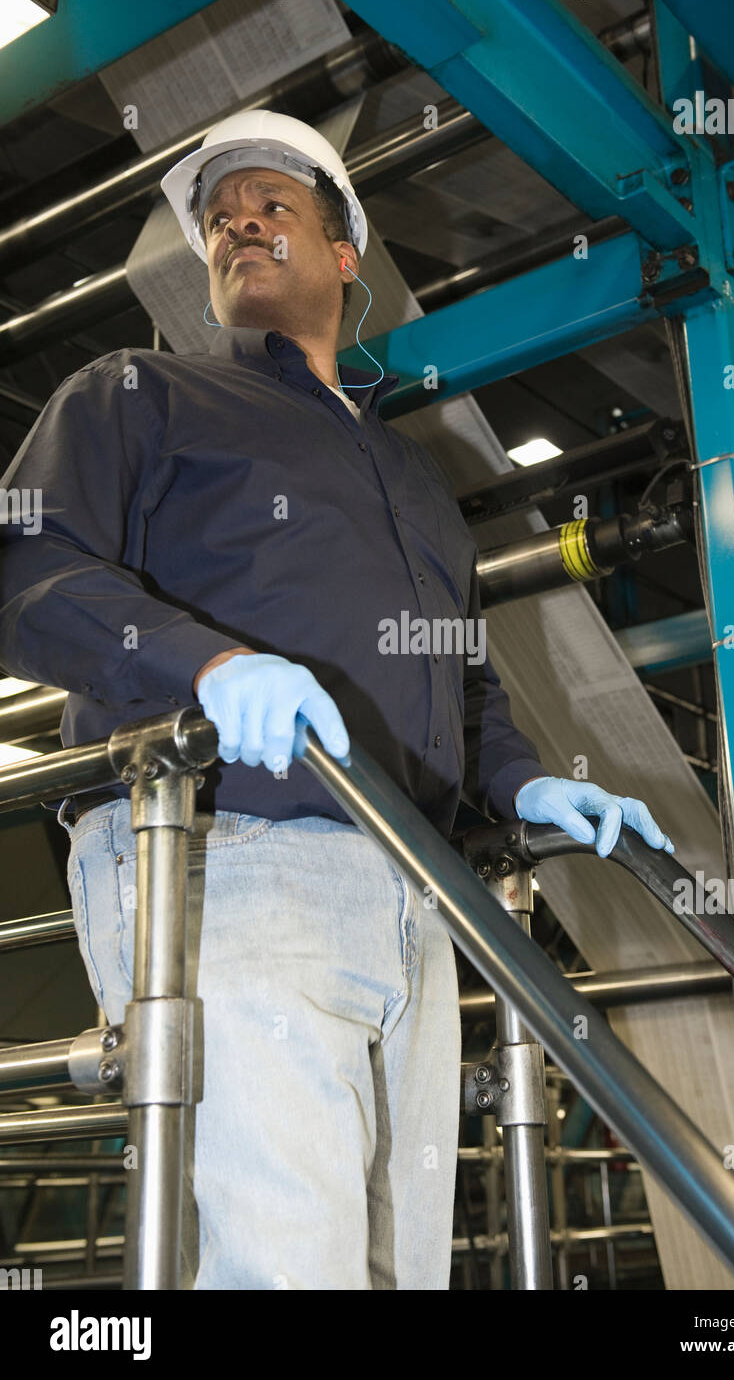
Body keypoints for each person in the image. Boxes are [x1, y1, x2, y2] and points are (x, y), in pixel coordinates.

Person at [0, 110, 674, 1290]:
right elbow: (25, 563)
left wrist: (527, 784)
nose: (238, 227)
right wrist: (205, 664)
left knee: (393, 1267)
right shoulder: (138, 393)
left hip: (412, 888)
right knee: (288, 1261)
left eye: (271, 206)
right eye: (220, 220)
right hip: (222, 849)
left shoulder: (412, 475)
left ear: (344, 251)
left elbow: (462, 680)